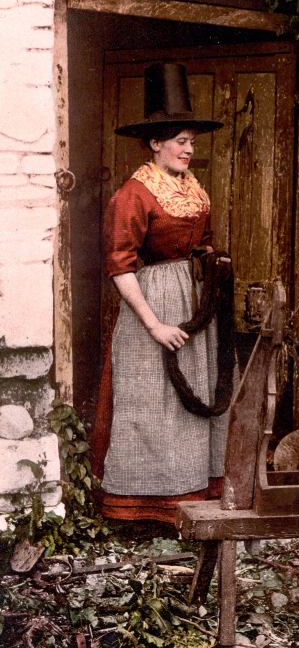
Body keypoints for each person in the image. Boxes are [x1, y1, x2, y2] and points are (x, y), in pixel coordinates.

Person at [91, 62, 232, 523]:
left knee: (191, 397)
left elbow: (205, 242)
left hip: (193, 305)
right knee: (152, 399)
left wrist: (210, 271)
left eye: (192, 141)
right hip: (151, 305)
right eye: (181, 141)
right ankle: (146, 504)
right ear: (155, 143)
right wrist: (154, 324)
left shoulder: (193, 189)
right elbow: (119, 265)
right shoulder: (133, 194)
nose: (189, 149)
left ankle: (193, 493)